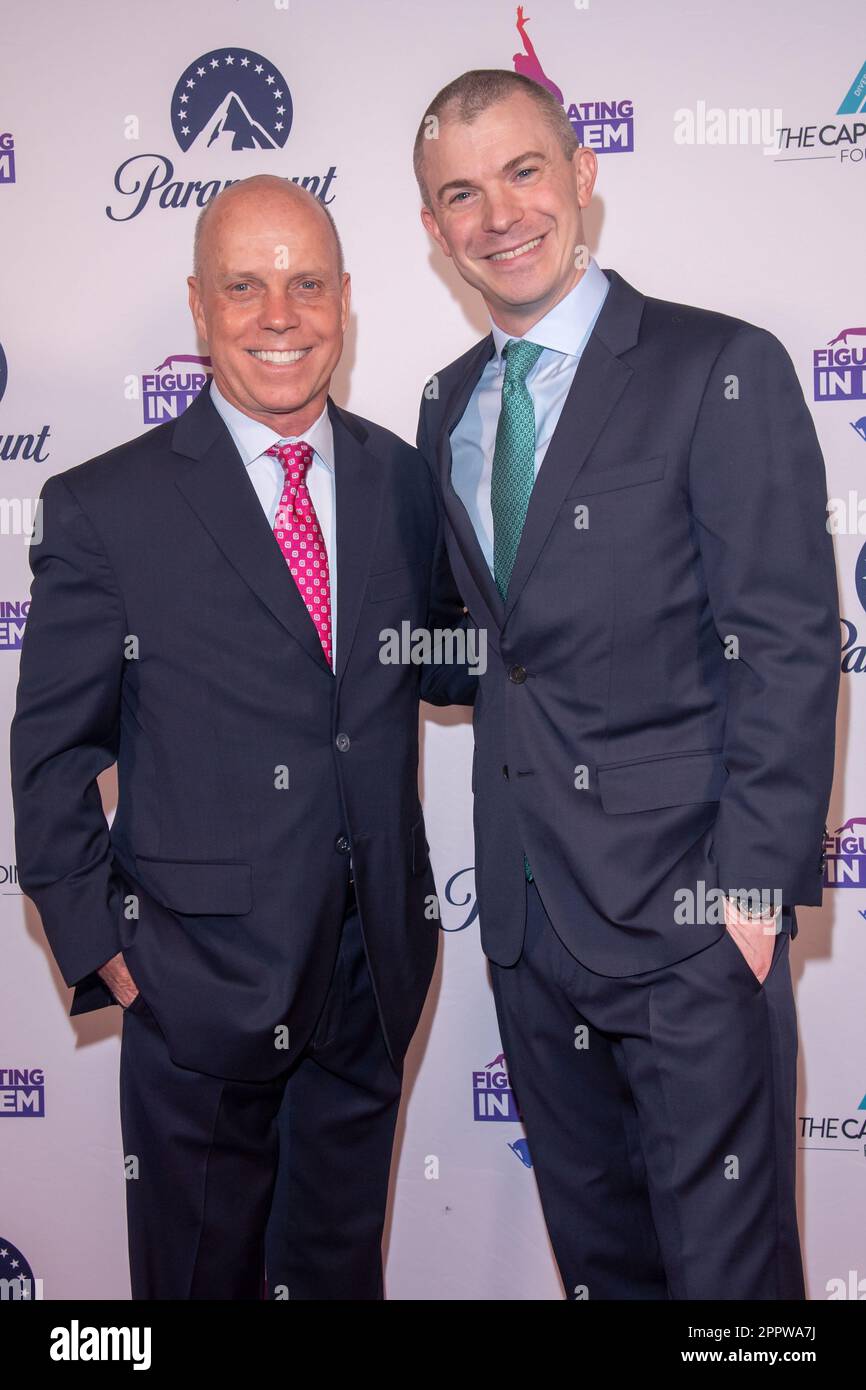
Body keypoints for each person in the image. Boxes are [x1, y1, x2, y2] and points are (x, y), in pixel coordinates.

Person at [412, 69, 839, 1300]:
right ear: (433, 232)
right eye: (460, 193)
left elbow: (787, 637)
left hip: (694, 925)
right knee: (604, 1272)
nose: (497, 214)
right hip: (529, 925)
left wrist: (748, 898)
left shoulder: (717, 364)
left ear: (583, 172)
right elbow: (481, 649)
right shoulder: (449, 406)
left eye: (522, 172)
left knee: (729, 1290)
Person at [10, 174, 475, 1300]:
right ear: (198, 306)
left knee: (333, 1277)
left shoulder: (399, 479)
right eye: (245, 285)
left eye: (307, 283)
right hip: (194, 984)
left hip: (369, 977)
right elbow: (53, 756)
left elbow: (449, 664)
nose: (280, 315)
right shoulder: (102, 509)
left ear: (347, 300)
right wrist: (99, 941)